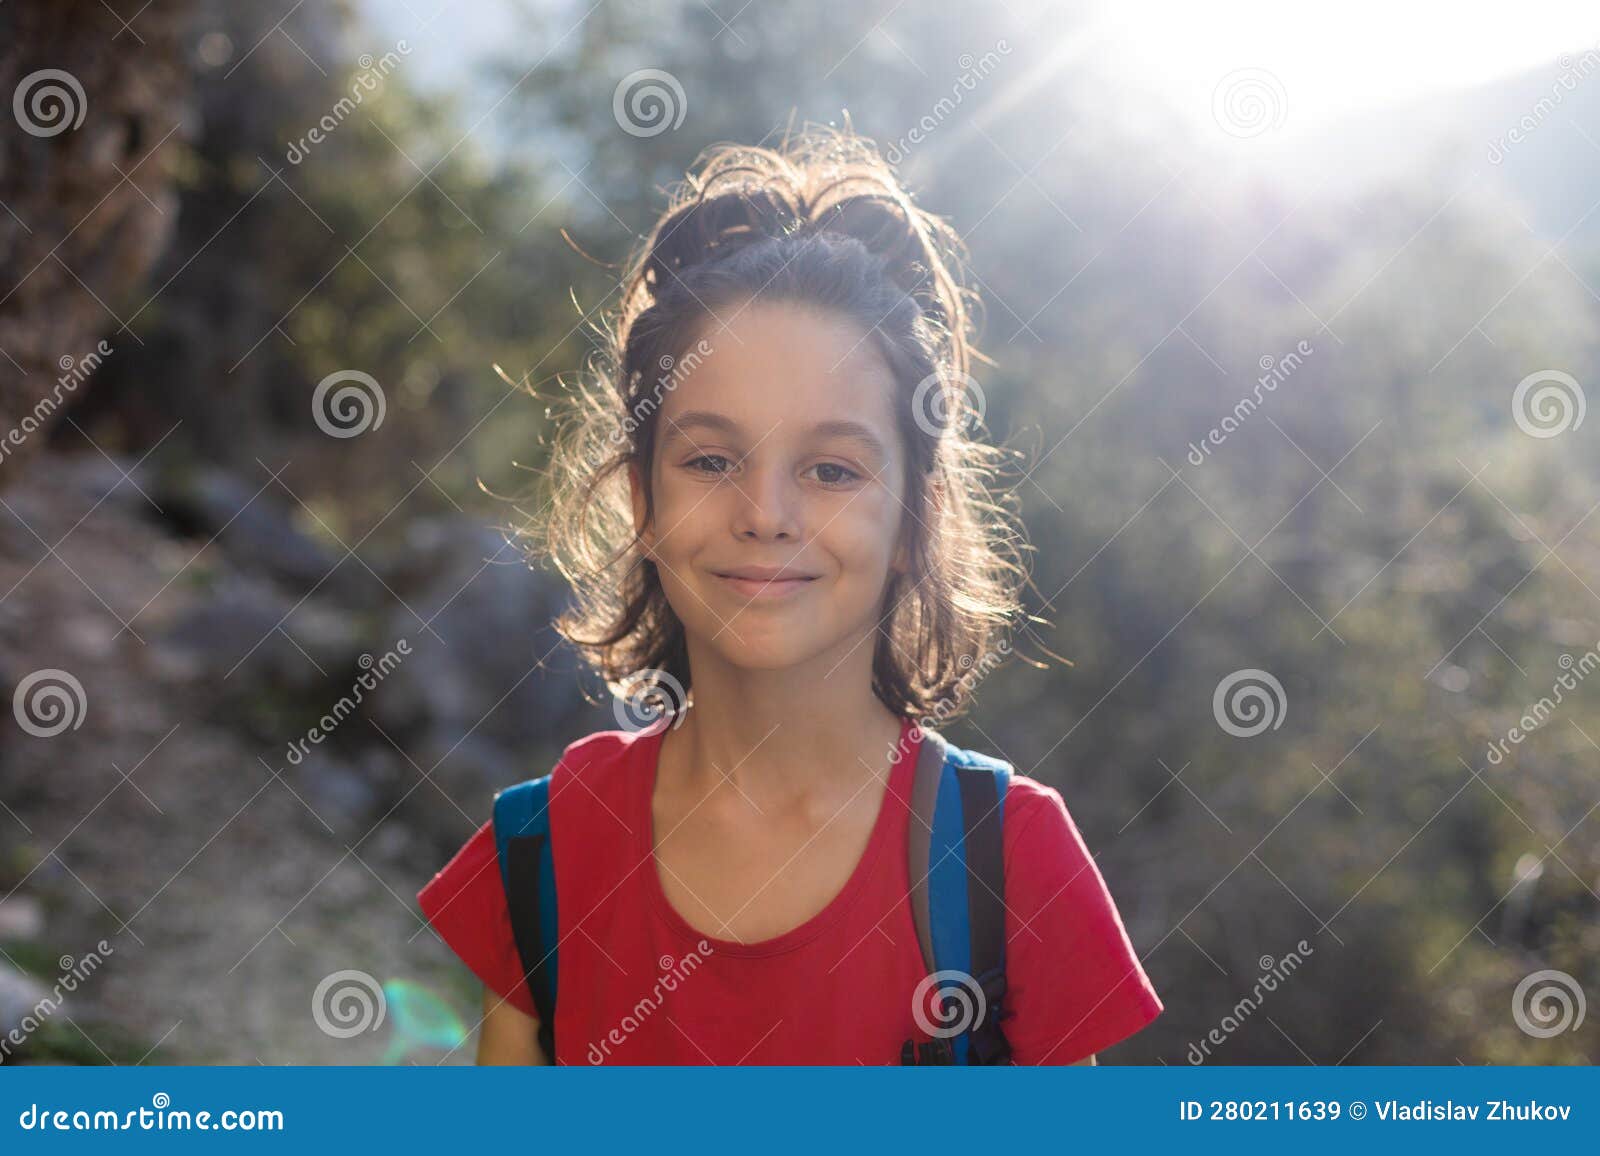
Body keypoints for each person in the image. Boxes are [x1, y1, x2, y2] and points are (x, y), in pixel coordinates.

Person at [416, 125, 1163, 1065]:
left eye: (832, 470)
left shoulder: (1009, 862)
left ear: (914, 523)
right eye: (710, 460)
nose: (765, 514)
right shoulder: (545, 850)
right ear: (644, 503)